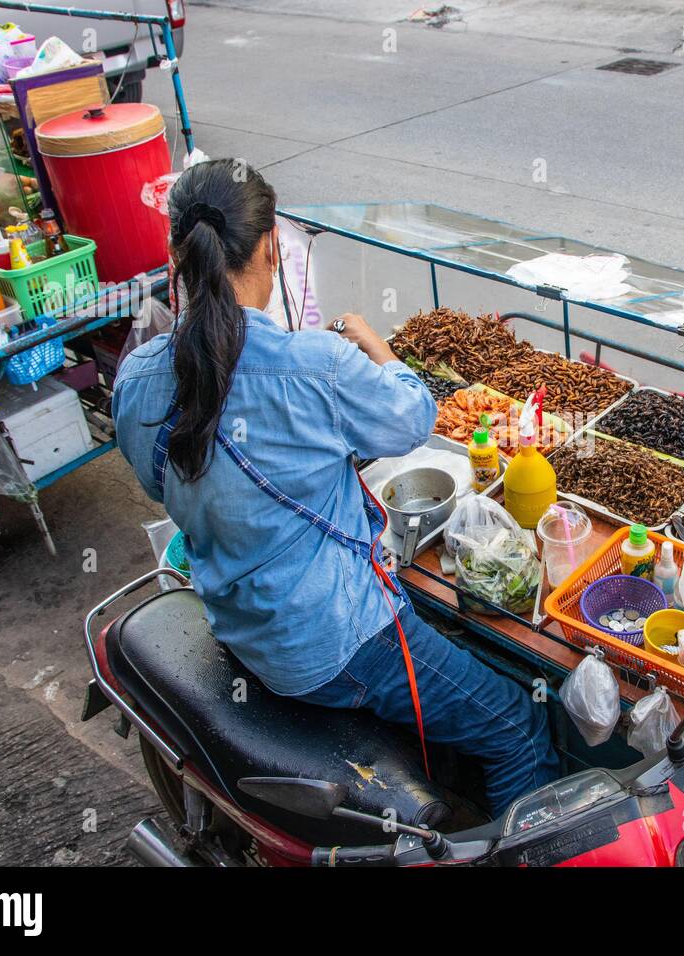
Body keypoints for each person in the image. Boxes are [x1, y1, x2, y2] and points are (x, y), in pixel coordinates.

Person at [112, 159, 558, 816]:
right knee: (518, 725)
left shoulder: (136, 379)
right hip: (341, 641)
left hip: (241, 625)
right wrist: (379, 348)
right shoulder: (315, 365)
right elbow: (413, 416)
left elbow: (164, 486)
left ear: (174, 255)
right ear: (270, 249)